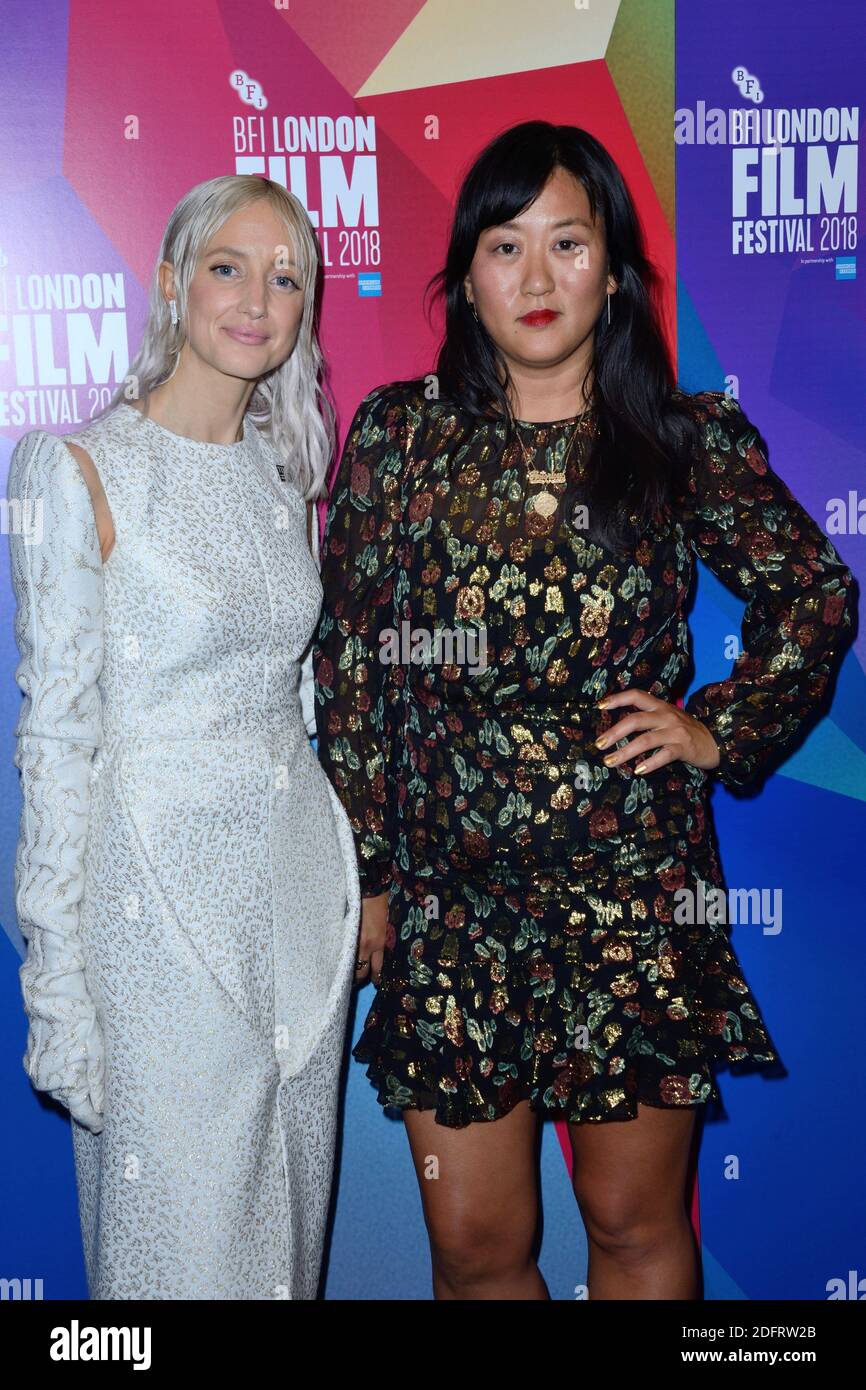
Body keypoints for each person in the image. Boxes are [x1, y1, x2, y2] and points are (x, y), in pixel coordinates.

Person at [312, 122, 857, 1300]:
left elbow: (812, 593)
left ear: (610, 270)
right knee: (474, 1248)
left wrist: (716, 727)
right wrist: (368, 873)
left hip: (630, 893)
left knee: (631, 1223)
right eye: (504, 246)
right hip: (452, 904)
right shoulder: (400, 439)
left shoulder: (678, 437)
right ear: (466, 276)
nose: (537, 275)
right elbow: (350, 666)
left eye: (567, 242)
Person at [7, 175, 361, 1299]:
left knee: (286, 1248)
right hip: (154, 912)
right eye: (227, 268)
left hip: (293, 904)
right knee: (181, 1254)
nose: (257, 300)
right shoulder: (80, 469)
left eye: (285, 277)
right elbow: (55, 745)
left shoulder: (281, 471)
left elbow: (293, 696)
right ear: (171, 283)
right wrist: (57, 991)